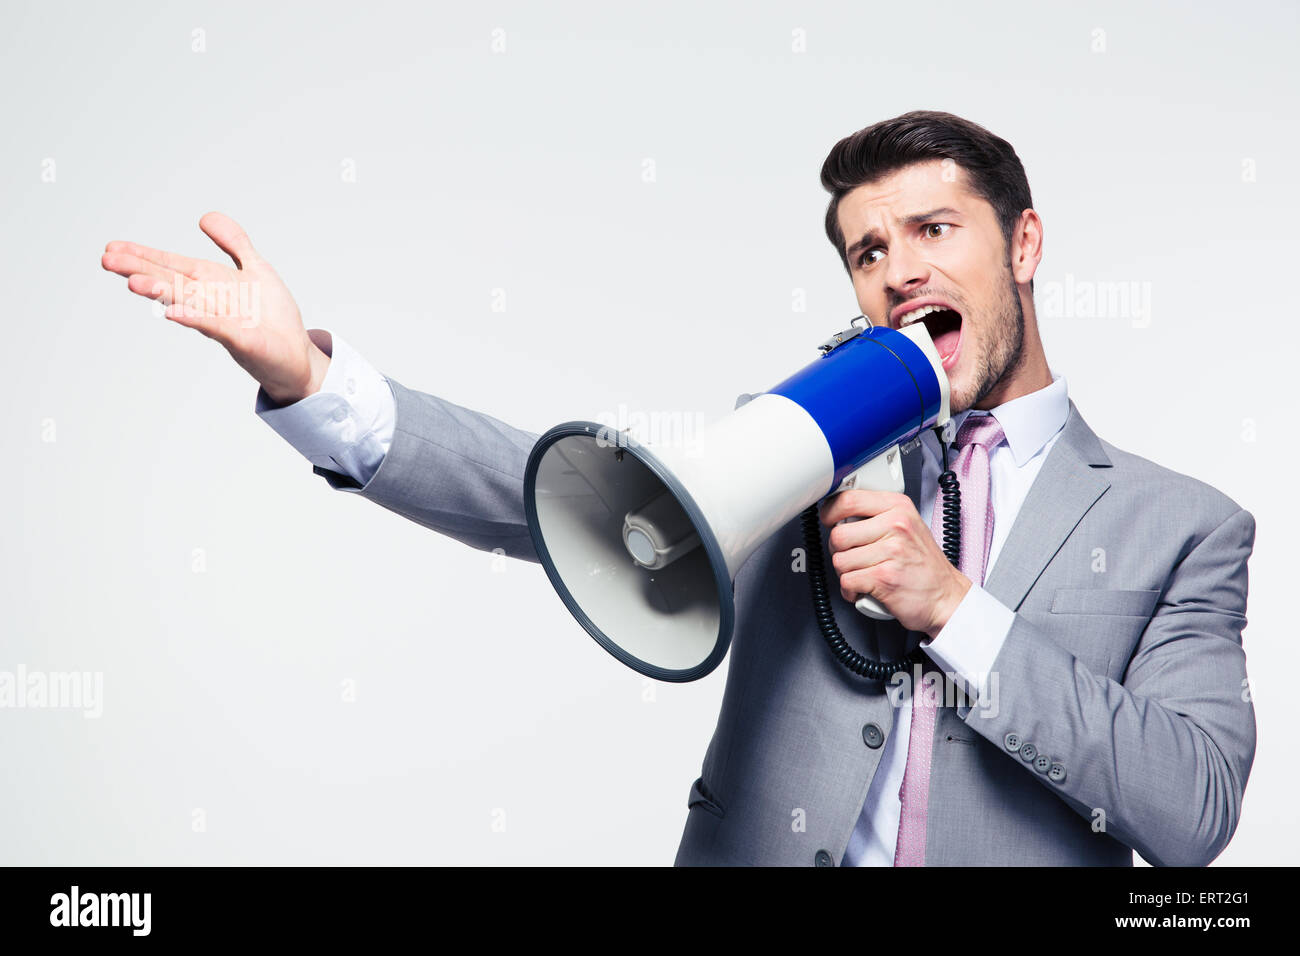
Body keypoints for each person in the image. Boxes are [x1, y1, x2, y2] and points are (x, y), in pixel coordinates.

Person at [101, 110, 1256, 866]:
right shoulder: (818, 432)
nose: (897, 269)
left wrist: (953, 607)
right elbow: (562, 502)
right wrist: (314, 379)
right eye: (864, 250)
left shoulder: (1180, 526)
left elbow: (1190, 806)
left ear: (1023, 244)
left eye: (931, 228)